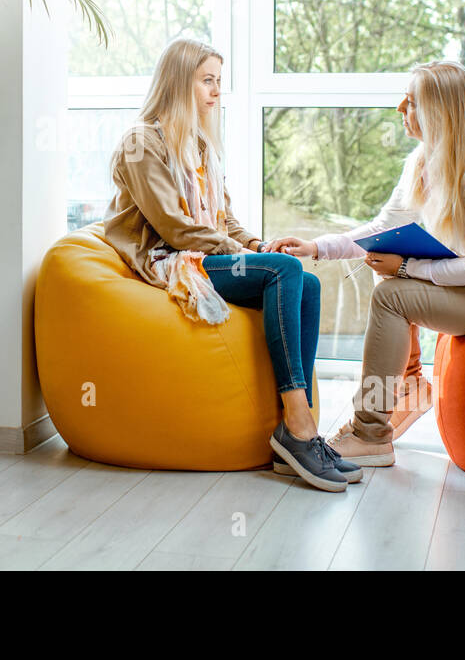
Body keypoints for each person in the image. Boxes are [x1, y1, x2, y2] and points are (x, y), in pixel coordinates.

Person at [268, 60, 465, 467]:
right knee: (389, 287)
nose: (400, 108)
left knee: (392, 295)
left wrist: (405, 268)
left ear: (439, 112)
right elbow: (382, 227)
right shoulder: (422, 161)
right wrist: (315, 247)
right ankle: (408, 388)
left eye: (411, 102)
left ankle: (370, 434)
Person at [102, 37, 359, 492]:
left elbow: (226, 220)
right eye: (207, 81)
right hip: (171, 262)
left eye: (219, 81)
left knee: (306, 282)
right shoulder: (140, 143)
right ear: (180, 82)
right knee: (284, 272)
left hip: (202, 254)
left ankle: (298, 432)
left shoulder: (200, 147)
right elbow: (175, 229)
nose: (217, 92)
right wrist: (247, 255)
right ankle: (299, 426)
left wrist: (259, 244)